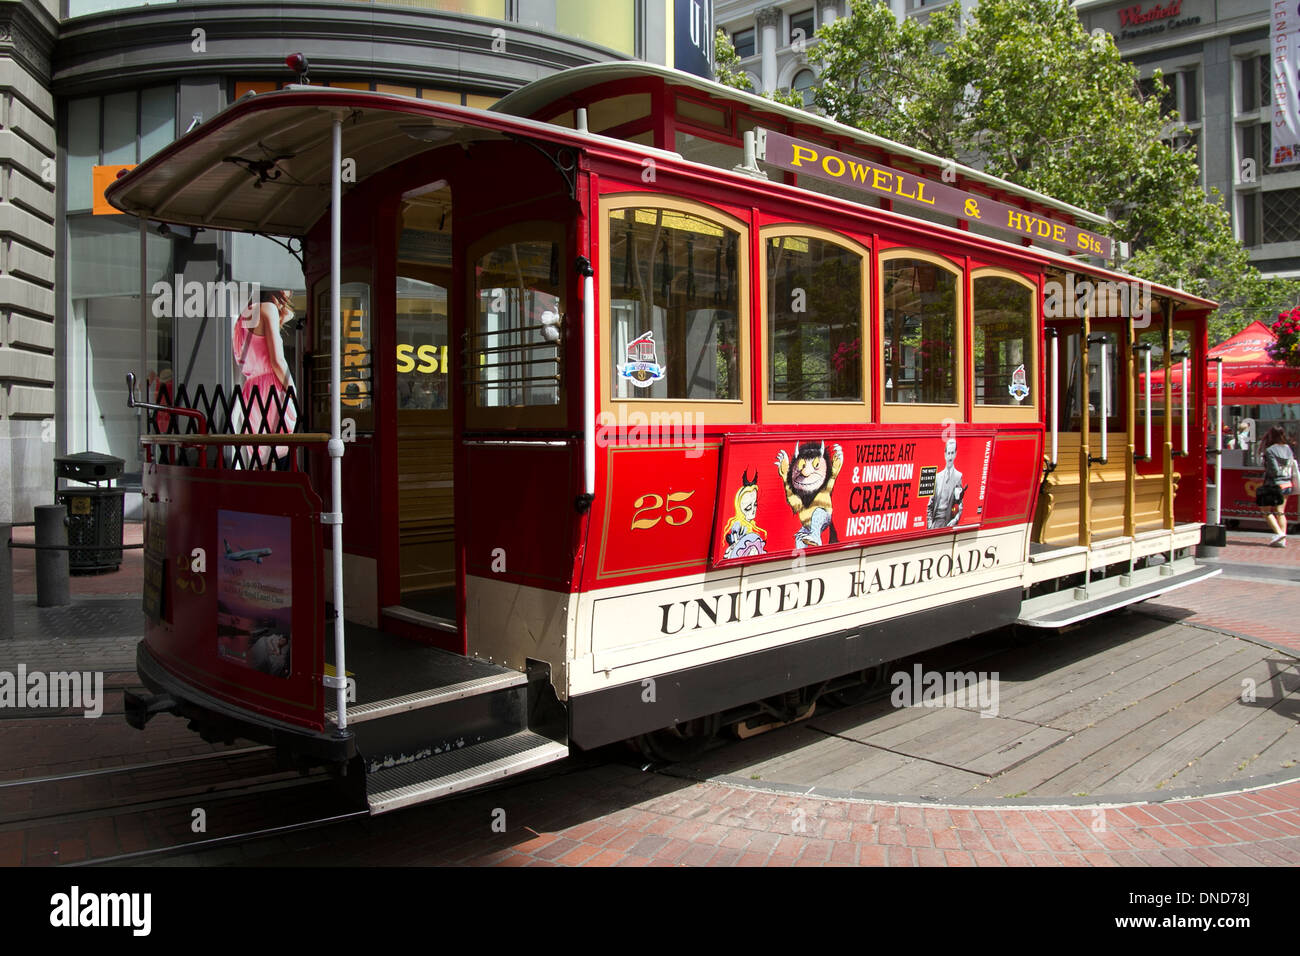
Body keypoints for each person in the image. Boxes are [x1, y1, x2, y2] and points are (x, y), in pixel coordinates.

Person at [233, 289, 298, 465]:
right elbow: (277, 360)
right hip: (271, 387)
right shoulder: (268, 308)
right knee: (285, 453)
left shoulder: (246, 313)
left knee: (263, 457)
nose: (290, 292)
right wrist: (292, 391)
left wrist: (283, 315)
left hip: (252, 389)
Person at [1257, 426, 1297, 547]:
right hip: (1287, 483)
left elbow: (1274, 470)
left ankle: (1279, 533)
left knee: (1265, 510)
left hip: (1274, 484)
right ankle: (1282, 539)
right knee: (1280, 511)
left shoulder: (1270, 450)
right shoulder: (1288, 448)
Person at [927, 438, 965, 529]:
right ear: (945, 455)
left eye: (952, 453)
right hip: (935, 523)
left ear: (955, 454)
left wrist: (955, 520)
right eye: (948, 453)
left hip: (948, 523)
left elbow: (960, 505)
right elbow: (930, 505)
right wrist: (930, 525)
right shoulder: (938, 477)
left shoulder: (958, 476)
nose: (950, 457)